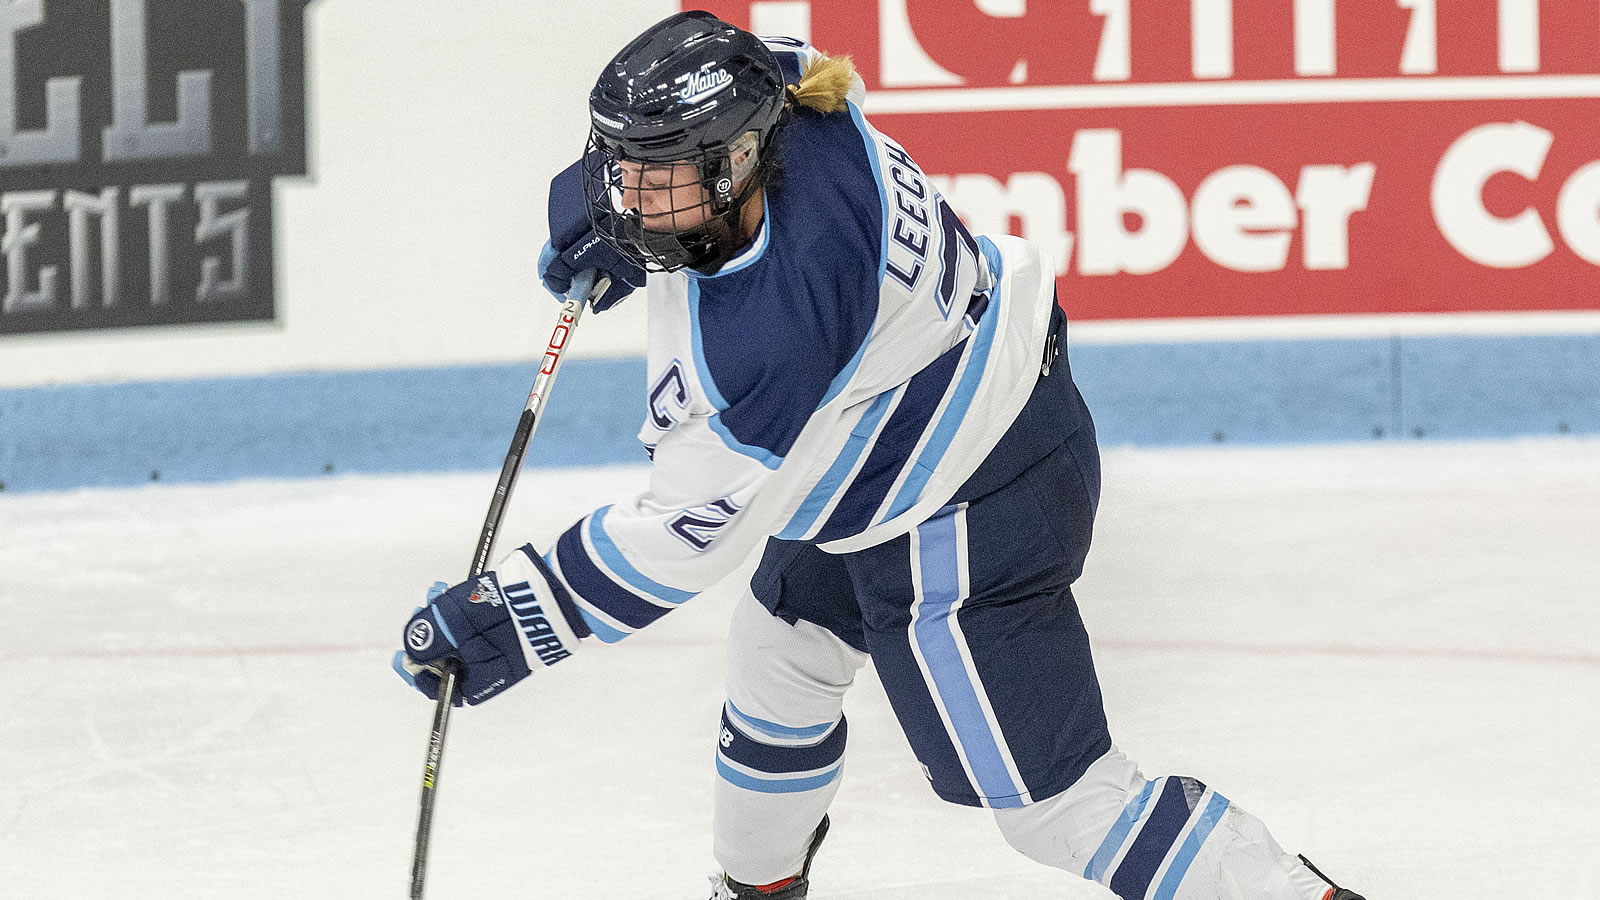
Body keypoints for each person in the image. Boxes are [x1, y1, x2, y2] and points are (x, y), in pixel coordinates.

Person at [394, 11, 1368, 900]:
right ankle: (757, 890)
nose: (628, 197)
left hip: (964, 508)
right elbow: (776, 60)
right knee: (781, 648)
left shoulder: (765, 337)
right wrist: (633, 208)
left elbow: (680, 539)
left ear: (735, 164)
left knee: (1059, 806)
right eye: (623, 167)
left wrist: (504, 620)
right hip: (937, 416)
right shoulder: (796, 104)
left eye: (662, 175)